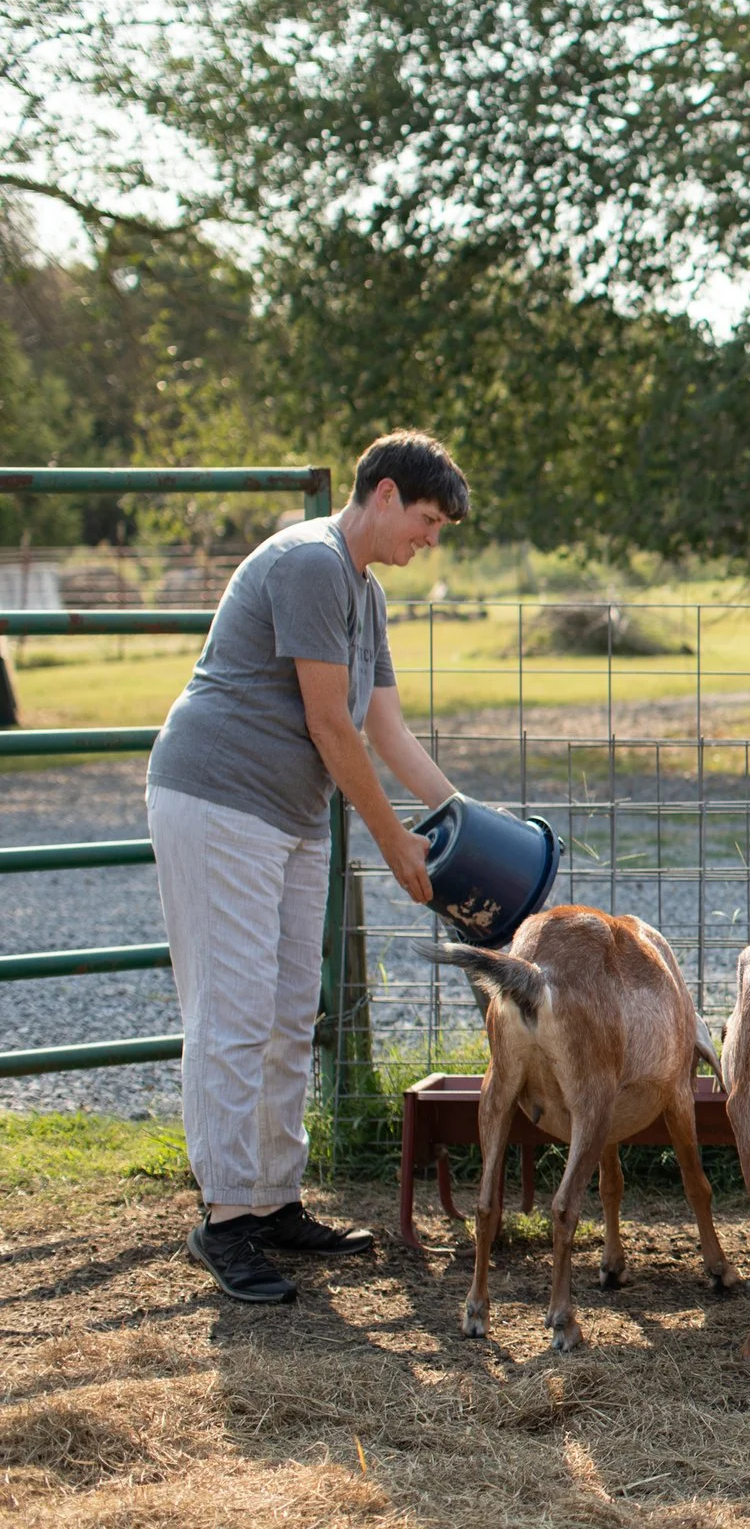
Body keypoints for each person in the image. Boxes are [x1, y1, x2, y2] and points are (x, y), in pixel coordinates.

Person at [147, 431, 469, 1303]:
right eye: (429, 520)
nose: (429, 541)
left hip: (289, 817)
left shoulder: (365, 596)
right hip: (220, 801)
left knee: (293, 1007)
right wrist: (395, 841)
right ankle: (222, 1219)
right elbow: (333, 725)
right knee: (234, 1011)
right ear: (387, 492)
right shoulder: (311, 563)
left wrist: (465, 819)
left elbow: (388, 732)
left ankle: (273, 1198)